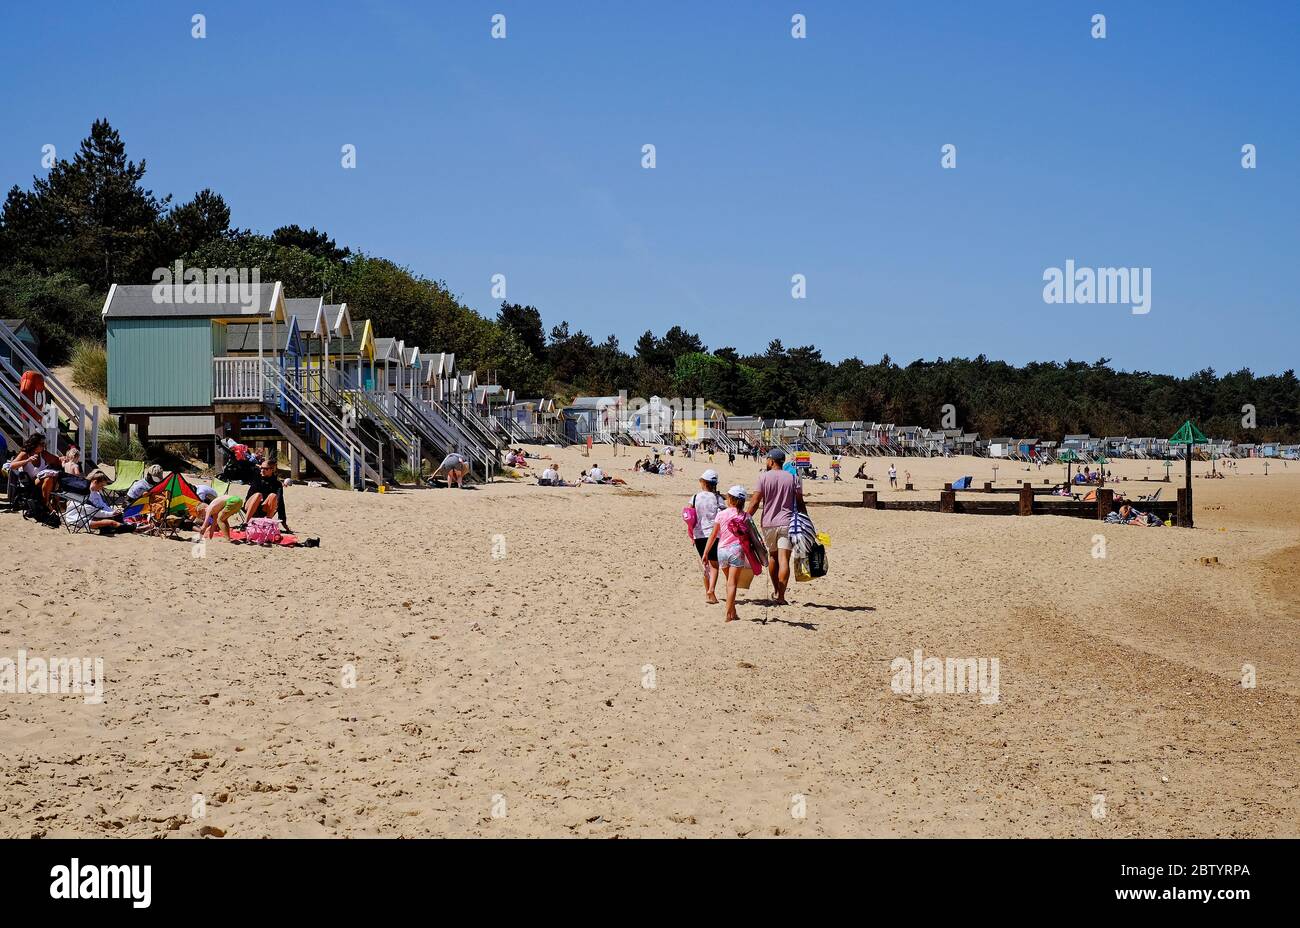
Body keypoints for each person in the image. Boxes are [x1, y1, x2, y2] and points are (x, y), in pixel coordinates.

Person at [746, 448, 804, 606]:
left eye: (767, 459)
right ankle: (781, 596)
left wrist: (745, 517)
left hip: (769, 523)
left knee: (773, 557)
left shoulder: (763, 477)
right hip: (787, 522)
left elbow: (755, 502)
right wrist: (806, 521)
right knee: (784, 559)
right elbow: (800, 503)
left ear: (771, 461)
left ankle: (776, 590)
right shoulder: (793, 478)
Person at [700, 485, 754, 623]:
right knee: (732, 584)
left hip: (722, 551)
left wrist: (705, 553)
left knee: (729, 582)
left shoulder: (721, 514)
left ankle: (733, 612)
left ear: (730, 499)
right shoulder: (746, 516)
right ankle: (728, 613)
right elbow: (752, 536)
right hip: (736, 551)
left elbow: (713, 535)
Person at [688, 469, 724, 604]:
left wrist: (690, 531)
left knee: (704, 565)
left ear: (703, 482)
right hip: (714, 535)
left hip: (698, 534)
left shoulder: (694, 497)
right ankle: (712, 590)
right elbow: (723, 516)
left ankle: (707, 593)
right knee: (714, 565)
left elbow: (688, 515)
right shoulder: (718, 499)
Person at [64, 469, 132, 534]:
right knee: (111, 522)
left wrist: (113, 511)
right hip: (78, 519)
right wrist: (111, 514)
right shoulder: (84, 493)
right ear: (95, 482)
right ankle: (131, 528)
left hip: (89, 515)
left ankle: (128, 526)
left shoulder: (96, 493)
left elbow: (102, 505)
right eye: (101, 485)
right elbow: (93, 512)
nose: (101, 488)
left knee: (116, 517)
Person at [10, 434, 61, 507]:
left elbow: (56, 460)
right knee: (48, 479)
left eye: (44, 443)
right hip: (32, 481)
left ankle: (52, 502)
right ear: (35, 444)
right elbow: (12, 466)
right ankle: (47, 504)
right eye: (41, 444)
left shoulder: (43, 453)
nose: (44, 446)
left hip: (44, 479)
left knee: (55, 477)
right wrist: (27, 460)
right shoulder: (25, 454)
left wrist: (64, 460)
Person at [244, 459, 283, 524]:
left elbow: (280, 501)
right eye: (261, 468)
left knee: (273, 496)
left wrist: (283, 520)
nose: (262, 470)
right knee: (258, 495)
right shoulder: (256, 478)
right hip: (250, 506)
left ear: (272, 470)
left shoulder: (277, 484)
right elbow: (245, 465)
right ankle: (245, 523)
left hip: (264, 509)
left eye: (266, 469)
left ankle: (267, 523)